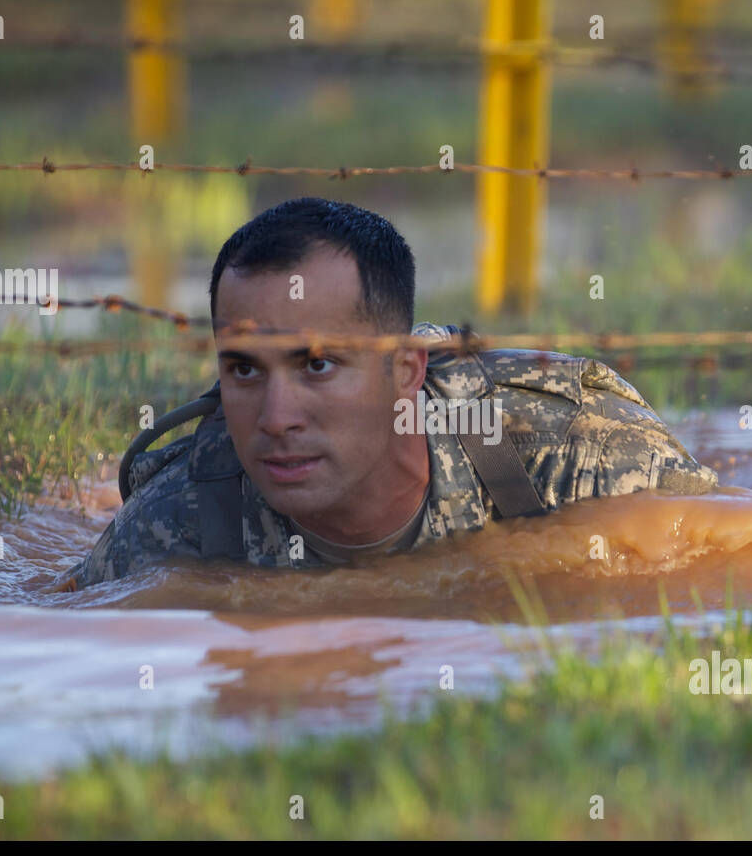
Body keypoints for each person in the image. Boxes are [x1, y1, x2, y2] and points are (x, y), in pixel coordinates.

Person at [59, 197, 717, 589]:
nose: (276, 420)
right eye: (245, 370)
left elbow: (744, 550)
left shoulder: (572, 442)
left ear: (405, 371)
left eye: (316, 366)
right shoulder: (173, 522)